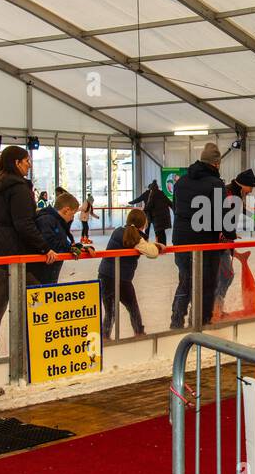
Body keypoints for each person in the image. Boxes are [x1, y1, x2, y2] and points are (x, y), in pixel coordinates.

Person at [0, 146, 58, 361]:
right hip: (13, 251)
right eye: (26, 161)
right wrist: (44, 247)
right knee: (34, 296)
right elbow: (24, 223)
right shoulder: (19, 188)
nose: (29, 165)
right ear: (16, 163)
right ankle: (35, 343)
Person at [170, 143, 226, 330]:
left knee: (185, 281)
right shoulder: (216, 184)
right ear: (216, 164)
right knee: (206, 284)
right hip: (205, 243)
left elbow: (176, 208)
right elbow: (221, 218)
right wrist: (227, 236)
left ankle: (176, 321)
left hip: (181, 241)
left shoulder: (181, 182)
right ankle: (201, 322)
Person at [98, 208, 162, 338]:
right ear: (143, 224)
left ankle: (105, 336)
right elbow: (152, 253)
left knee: (110, 311)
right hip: (122, 279)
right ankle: (139, 332)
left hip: (105, 275)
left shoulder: (118, 231)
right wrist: (158, 246)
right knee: (132, 306)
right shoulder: (135, 237)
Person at [212, 169, 255, 319]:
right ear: (244, 184)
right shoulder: (229, 192)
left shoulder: (235, 193)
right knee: (226, 275)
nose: (251, 191)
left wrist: (251, 215)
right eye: (251, 187)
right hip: (219, 241)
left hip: (225, 239)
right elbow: (221, 214)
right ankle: (214, 309)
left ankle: (216, 309)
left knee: (224, 275)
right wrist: (224, 233)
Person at [35, 191, 88, 285]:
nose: (72, 218)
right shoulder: (47, 220)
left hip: (51, 268)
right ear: (66, 210)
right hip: (42, 270)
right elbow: (49, 242)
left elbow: (62, 241)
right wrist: (72, 249)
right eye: (72, 214)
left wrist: (78, 248)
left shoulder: (58, 221)